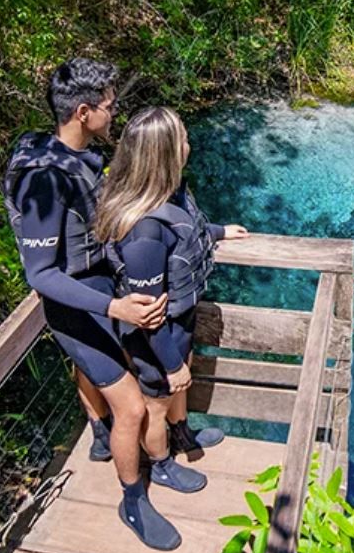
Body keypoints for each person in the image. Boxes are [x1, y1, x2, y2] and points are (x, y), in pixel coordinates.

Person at [4, 59, 187, 551]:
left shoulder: (77, 157)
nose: (114, 112)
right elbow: (40, 275)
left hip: (100, 289)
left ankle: (100, 434)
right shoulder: (43, 179)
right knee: (129, 406)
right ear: (83, 112)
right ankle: (133, 501)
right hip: (74, 305)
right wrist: (117, 310)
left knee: (102, 375)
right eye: (108, 106)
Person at [93, 106, 249, 471]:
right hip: (157, 336)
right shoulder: (144, 232)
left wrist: (219, 232)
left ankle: (181, 434)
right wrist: (172, 362)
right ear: (165, 153)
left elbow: (186, 234)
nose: (189, 145)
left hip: (181, 319)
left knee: (174, 391)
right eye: (183, 139)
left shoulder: (172, 193)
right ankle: (161, 463)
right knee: (157, 401)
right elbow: (147, 314)